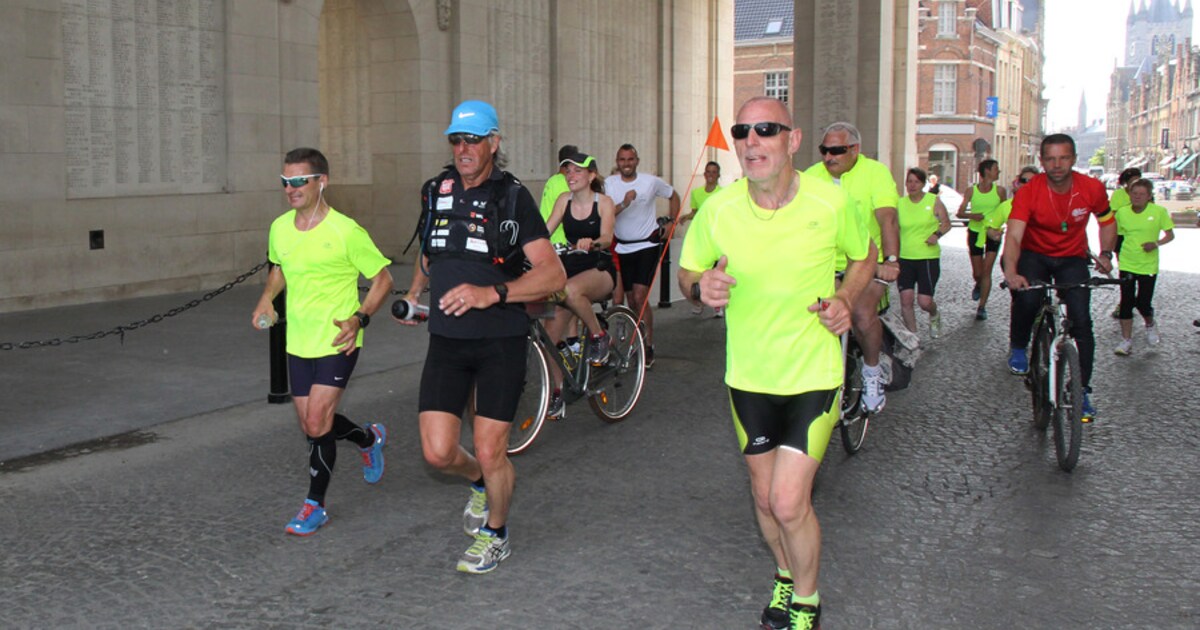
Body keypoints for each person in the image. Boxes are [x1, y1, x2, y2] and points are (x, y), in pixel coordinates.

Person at [679, 96, 873, 630]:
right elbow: (688, 273)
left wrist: (844, 299)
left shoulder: (830, 201)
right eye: (743, 130)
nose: (751, 140)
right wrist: (701, 288)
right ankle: (786, 576)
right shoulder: (719, 207)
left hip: (813, 375)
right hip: (748, 378)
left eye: (766, 129)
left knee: (789, 501)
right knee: (765, 499)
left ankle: (806, 603)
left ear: (792, 139)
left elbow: (865, 256)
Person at [398, 100, 566, 573]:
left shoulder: (513, 197)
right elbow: (431, 254)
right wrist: (414, 295)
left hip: (500, 341)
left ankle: (496, 532)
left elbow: (552, 276)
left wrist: (492, 293)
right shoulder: (436, 190)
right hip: (447, 341)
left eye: (473, 140)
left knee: (493, 447)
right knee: (436, 452)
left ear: (494, 143)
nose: (463, 148)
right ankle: (477, 480)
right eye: (456, 140)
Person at [252, 147, 394, 536]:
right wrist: (267, 296)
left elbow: (383, 279)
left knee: (316, 421)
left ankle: (314, 506)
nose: (290, 189)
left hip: (338, 339)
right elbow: (278, 269)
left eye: (299, 181)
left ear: (321, 182)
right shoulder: (280, 228)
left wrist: (360, 318)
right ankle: (368, 437)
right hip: (297, 342)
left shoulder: (346, 231)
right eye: (285, 182)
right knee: (313, 423)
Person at [1002, 134, 1117, 421]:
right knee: (1027, 298)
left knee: (1082, 321)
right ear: (1041, 162)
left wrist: (1105, 254)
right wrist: (1011, 272)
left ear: (1074, 159)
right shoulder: (1030, 192)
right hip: (1035, 255)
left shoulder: (1091, 188)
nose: (1057, 164)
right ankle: (1018, 346)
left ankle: (1082, 391)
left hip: (1071, 258)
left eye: (1063, 158)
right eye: (1050, 159)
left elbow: (1108, 222)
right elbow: (1014, 236)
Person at [804, 121, 900, 413]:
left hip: (868, 263)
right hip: (825, 264)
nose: (828, 157)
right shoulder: (810, 177)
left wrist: (891, 262)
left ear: (855, 149)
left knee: (859, 311)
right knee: (813, 316)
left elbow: (888, 219)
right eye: (824, 150)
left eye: (836, 150)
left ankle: (872, 372)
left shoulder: (876, 173)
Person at [543, 152, 617, 417]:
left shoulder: (604, 203)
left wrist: (592, 242)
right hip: (570, 268)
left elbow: (607, 236)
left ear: (591, 175)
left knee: (571, 291)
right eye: (568, 171)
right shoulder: (564, 200)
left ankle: (599, 335)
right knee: (549, 338)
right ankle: (558, 392)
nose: (571, 176)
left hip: (598, 267)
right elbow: (545, 231)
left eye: (577, 171)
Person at [605, 144, 682, 368]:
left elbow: (673, 195)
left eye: (630, 159)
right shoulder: (610, 184)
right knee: (630, 301)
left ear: (637, 161)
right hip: (622, 247)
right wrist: (625, 202)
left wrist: (672, 222)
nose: (626, 164)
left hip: (646, 245)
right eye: (622, 160)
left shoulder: (650, 182)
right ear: (617, 162)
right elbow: (608, 212)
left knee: (640, 297)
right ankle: (636, 341)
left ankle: (648, 346)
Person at [1112, 178, 1174, 355]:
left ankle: (1150, 323)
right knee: (1126, 302)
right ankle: (1126, 340)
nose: (1137, 197)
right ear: (1129, 194)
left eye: (1141, 194)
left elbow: (1170, 235)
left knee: (1143, 303)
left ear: (1149, 196)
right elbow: (1117, 235)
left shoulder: (1158, 211)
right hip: (1127, 262)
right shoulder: (1122, 213)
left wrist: (1155, 243)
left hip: (1148, 265)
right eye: (1134, 193)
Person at [897, 167, 952, 338]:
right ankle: (913, 337)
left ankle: (934, 314)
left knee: (924, 301)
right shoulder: (900, 203)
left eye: (916, 182)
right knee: (905, 300)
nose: (912, 185)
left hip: (927, 257)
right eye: (909, 181)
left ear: (923, 184)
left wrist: (937, 235)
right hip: (905, 257)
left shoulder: (933, 200)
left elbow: (946, 223)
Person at [958, 159, 1007, 320]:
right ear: (987, 171)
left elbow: (1005, 210)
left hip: (993, 232)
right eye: (996, 169)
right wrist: (973, 216)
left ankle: (982, 307)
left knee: (987, 271)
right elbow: (960, 212)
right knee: (978, 273)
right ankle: (978, 283)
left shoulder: (1000, 191)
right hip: (975, 232)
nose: (998, 172)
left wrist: (1002, 226)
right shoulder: (971, 191)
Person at [681, 161, 725, 317]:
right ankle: (698, 302)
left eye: (714, 172)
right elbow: (696, 212)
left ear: (718, 175)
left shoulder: (723, 193)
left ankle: (717, 306)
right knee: (698, 272)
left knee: (715, 271)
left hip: (717, 237)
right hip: (701, 237)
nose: (711, 175)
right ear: (705, 174)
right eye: (708, 172)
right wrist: (686, 217)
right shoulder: (696, 193)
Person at [982, 166, 1037, 274]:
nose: (1027, 184)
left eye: (1032, 181)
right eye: (1024, 180)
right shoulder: (1006, 206)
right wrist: (993, 233)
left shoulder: (1047, 204)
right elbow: (991, 227)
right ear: (1018, 183)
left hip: (1040, 258)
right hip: (1015, 257)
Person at [538, 144, 576, 246]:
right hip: (560, 240)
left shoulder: (552, 180)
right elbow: (568, 214)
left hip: (549, 237)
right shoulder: (565, 183)